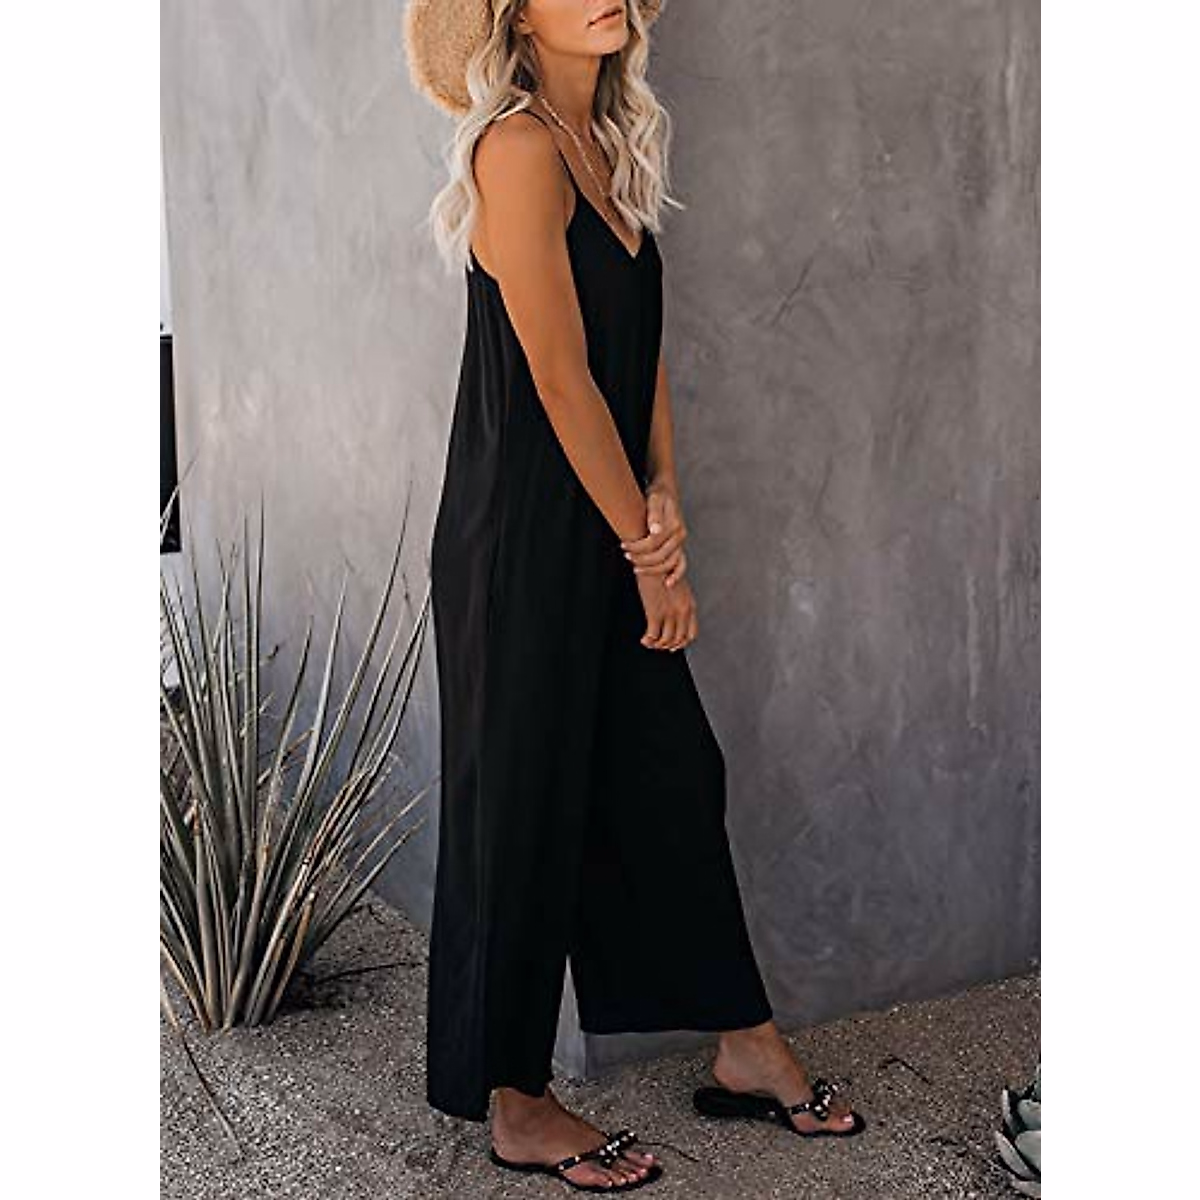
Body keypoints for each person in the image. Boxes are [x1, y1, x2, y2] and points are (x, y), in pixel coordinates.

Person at [403, 1, 866, 1190]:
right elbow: (560, 380)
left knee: (667, 772)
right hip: (521, 537)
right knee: (519, 805)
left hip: (605, 510)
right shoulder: (515, 148)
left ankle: (745, 1043)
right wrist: (648, 556)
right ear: (514, 11)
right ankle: (515, 1100)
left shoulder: (605, 145)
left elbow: (638, 348)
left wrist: (665, 493)